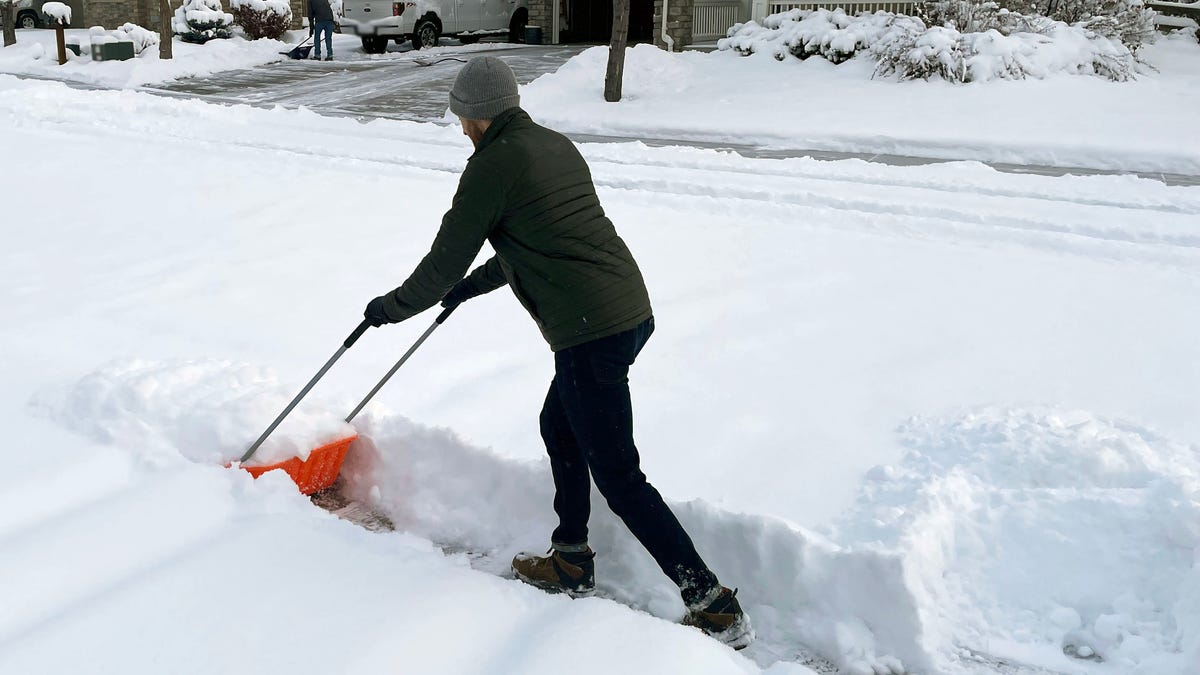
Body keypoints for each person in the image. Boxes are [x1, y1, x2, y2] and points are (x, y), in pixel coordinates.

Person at [362, 56, 753, 650]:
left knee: (619, 475)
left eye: (461, 117)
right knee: (560, 425)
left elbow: (441, 265)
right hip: (627, 311)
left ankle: (711, 602)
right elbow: (539, 239)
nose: (460, 127)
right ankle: (571, 557)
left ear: (474, 115)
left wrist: (390, 308)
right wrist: (473, 286)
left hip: (590, 331)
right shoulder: (551, 145)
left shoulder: (491, 166)